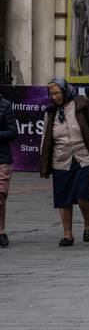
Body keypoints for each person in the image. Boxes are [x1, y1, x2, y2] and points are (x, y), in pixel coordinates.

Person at [39, 78, 89, 246]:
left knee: (82, 192)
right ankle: (67, 235)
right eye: (51, 94)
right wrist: (43, 156)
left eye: (57, 93)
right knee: (62, 197)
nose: (54, 97)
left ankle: (88, 224)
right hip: (60, 159)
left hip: (82, 157)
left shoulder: (81, 104)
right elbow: (45, 136)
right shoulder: (50, 112)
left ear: (65, 91)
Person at [0, 93, 16, 248]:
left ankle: (1, 231)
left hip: (2, 158)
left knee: (0, 197)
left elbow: (13, 132)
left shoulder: (5, 105)